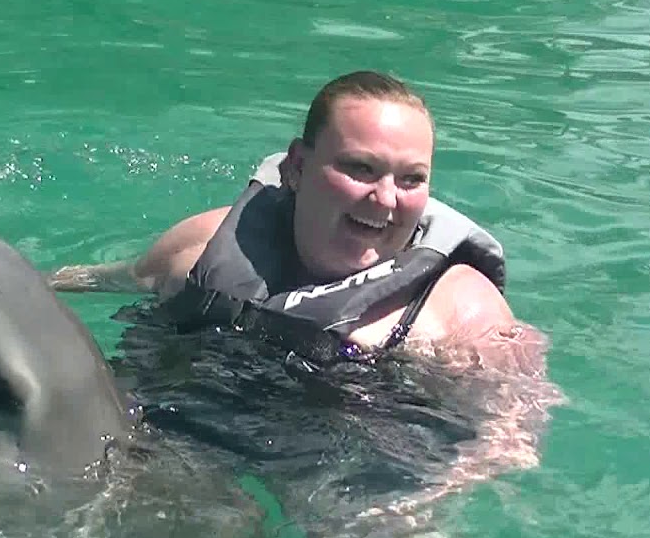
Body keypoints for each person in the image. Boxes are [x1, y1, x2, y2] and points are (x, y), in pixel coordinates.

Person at [51, 70, 537, 373]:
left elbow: (507, 438)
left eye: (411, 179)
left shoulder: (459, 310)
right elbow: (108, 280)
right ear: (297, 167)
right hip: (166, 422)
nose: (385, 198)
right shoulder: (203, 244)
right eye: (360, 168)